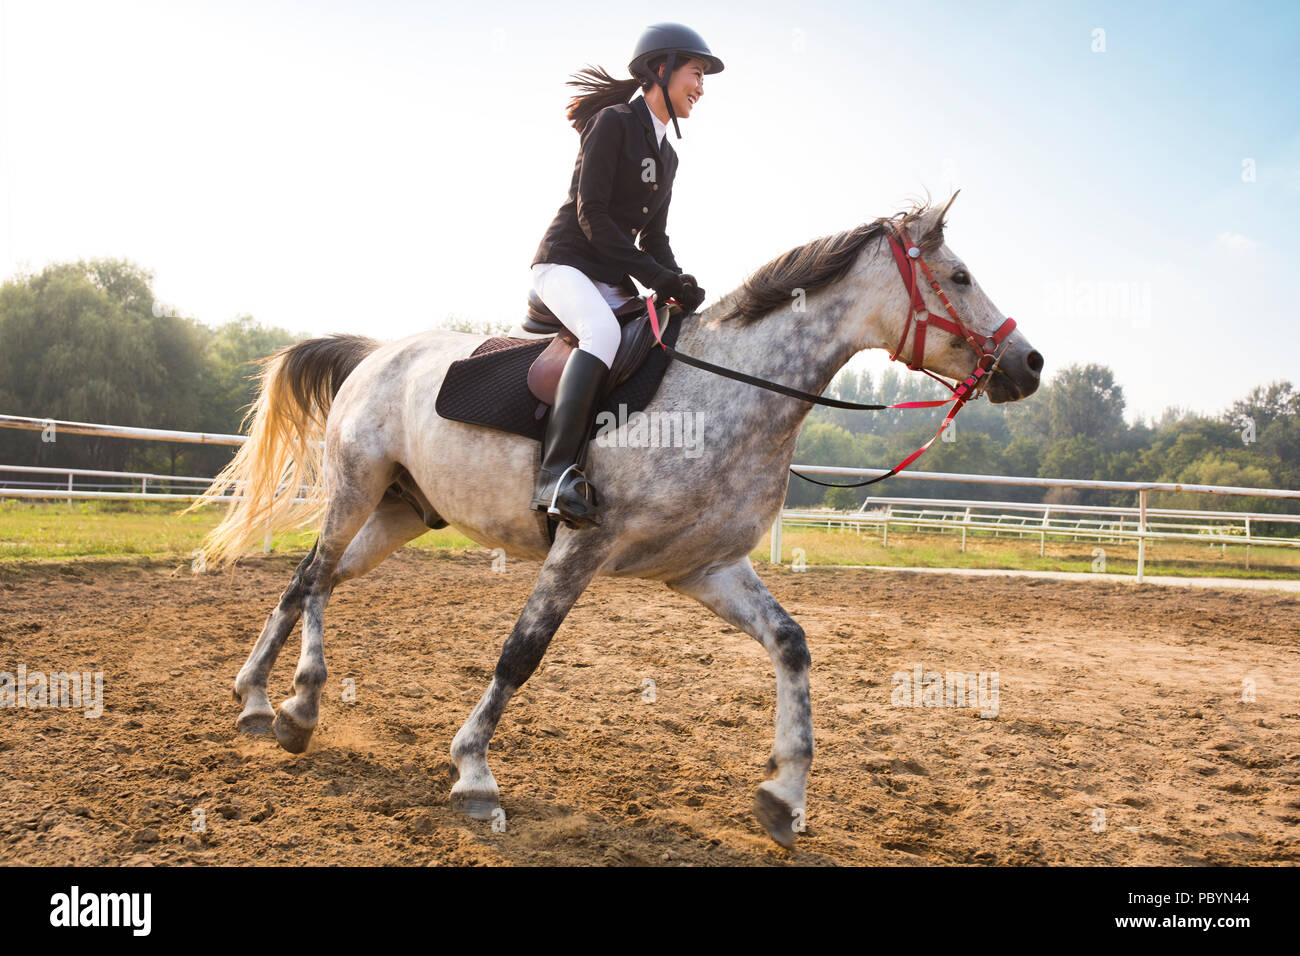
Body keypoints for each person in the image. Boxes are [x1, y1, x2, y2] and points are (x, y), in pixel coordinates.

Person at [529, 23, 722, 529]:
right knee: (603, 331)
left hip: (611, 276)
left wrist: (677, 280)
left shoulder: (668, 155)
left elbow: (652, 237)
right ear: (661, 69)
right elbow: (592, 213)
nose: (701, 87)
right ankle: (553, 476)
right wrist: (654, 275)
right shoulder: (614, 122)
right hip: (565, 263)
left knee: (662, 337)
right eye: (696, 73)